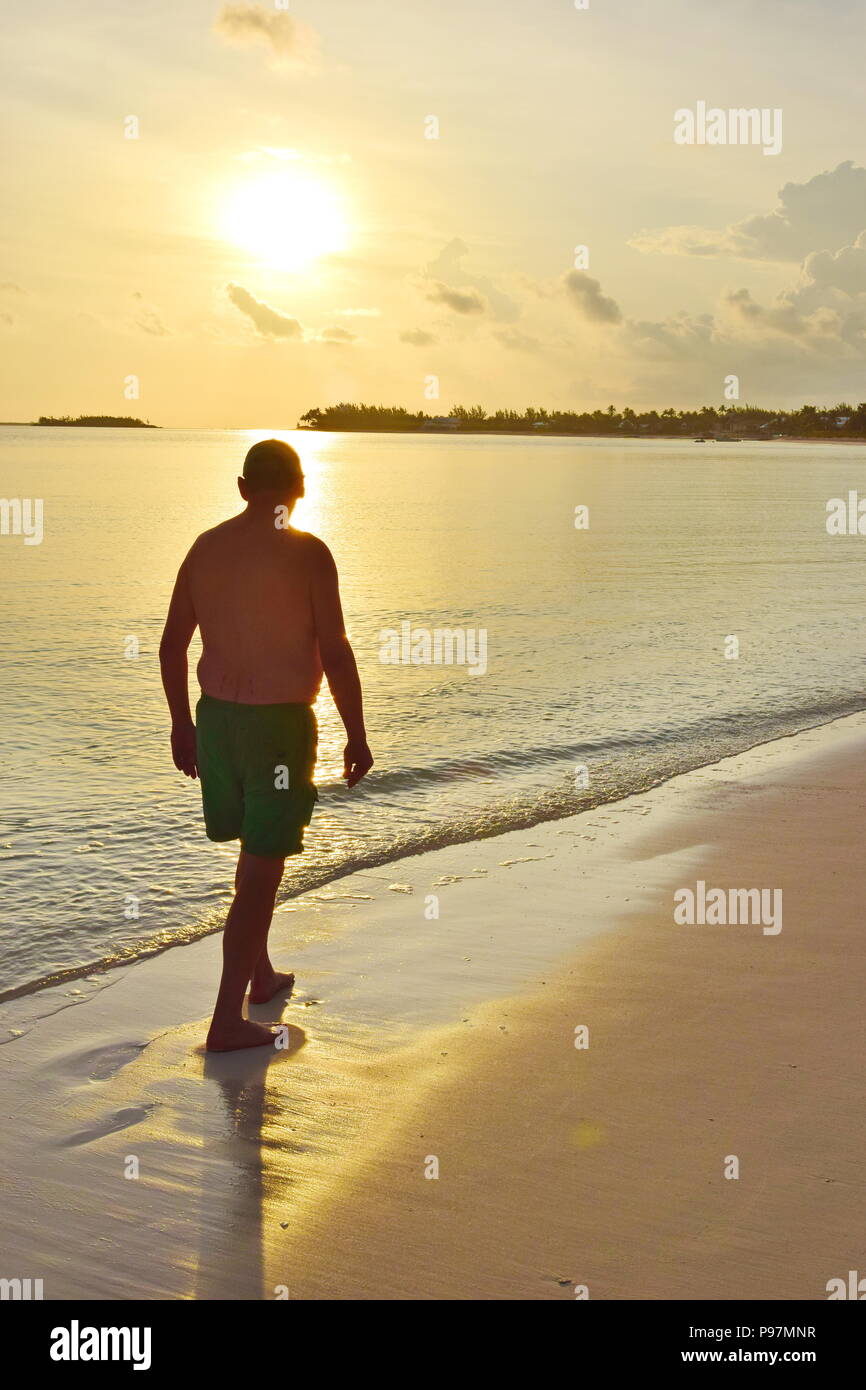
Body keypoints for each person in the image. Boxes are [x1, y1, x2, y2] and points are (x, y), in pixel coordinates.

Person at [159, 438, 373, 1051]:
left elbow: (173, 646)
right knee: (260, 873)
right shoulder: (309, 554)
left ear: (243, 487)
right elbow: (333, 649)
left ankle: (262, 974)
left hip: (218, 724)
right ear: (300, 489)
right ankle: (228, 1020)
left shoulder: (206, 548)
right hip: (277, 729)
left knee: (252, 860)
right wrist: (355, 730)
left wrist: (182, 724)